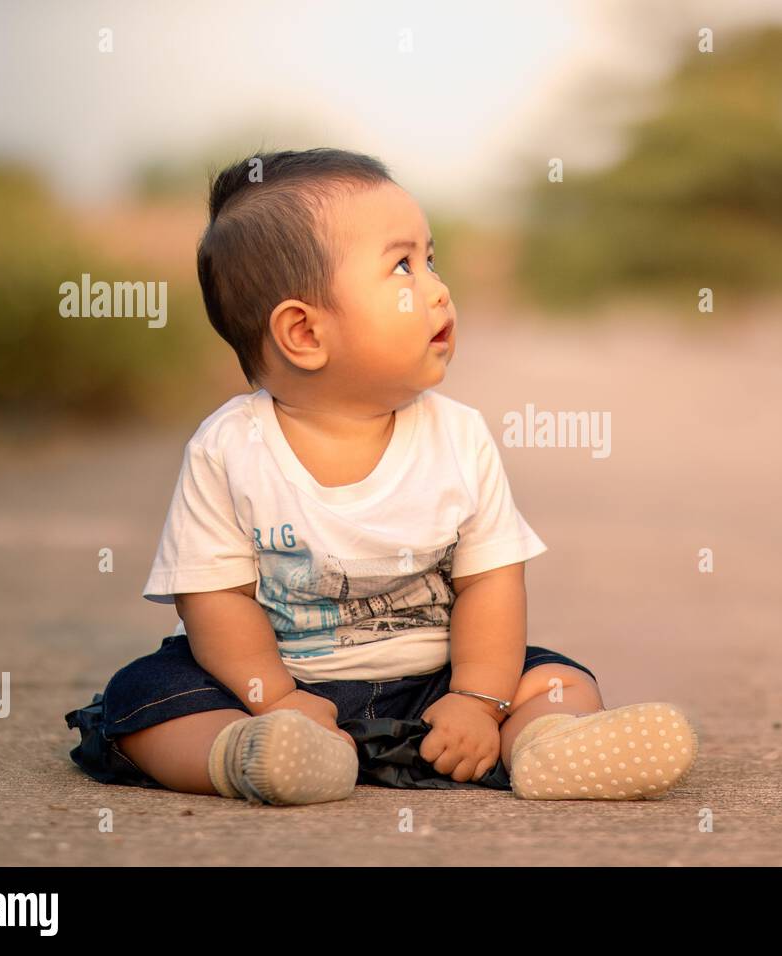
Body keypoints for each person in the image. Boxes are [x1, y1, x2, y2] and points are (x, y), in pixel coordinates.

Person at [65, 148, 698, 806]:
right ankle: (248, 753)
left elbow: (490, 582)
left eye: (432, 260)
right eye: (403, 267)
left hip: (433, 684)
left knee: (556, 681)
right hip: (269, 688)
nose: (438, 289)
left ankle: (548, 745)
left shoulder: (459, 436)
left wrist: (478, 699)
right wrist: (275, 698)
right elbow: (214, 598)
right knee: (145, 696)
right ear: (304, 333)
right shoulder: (229, 449)